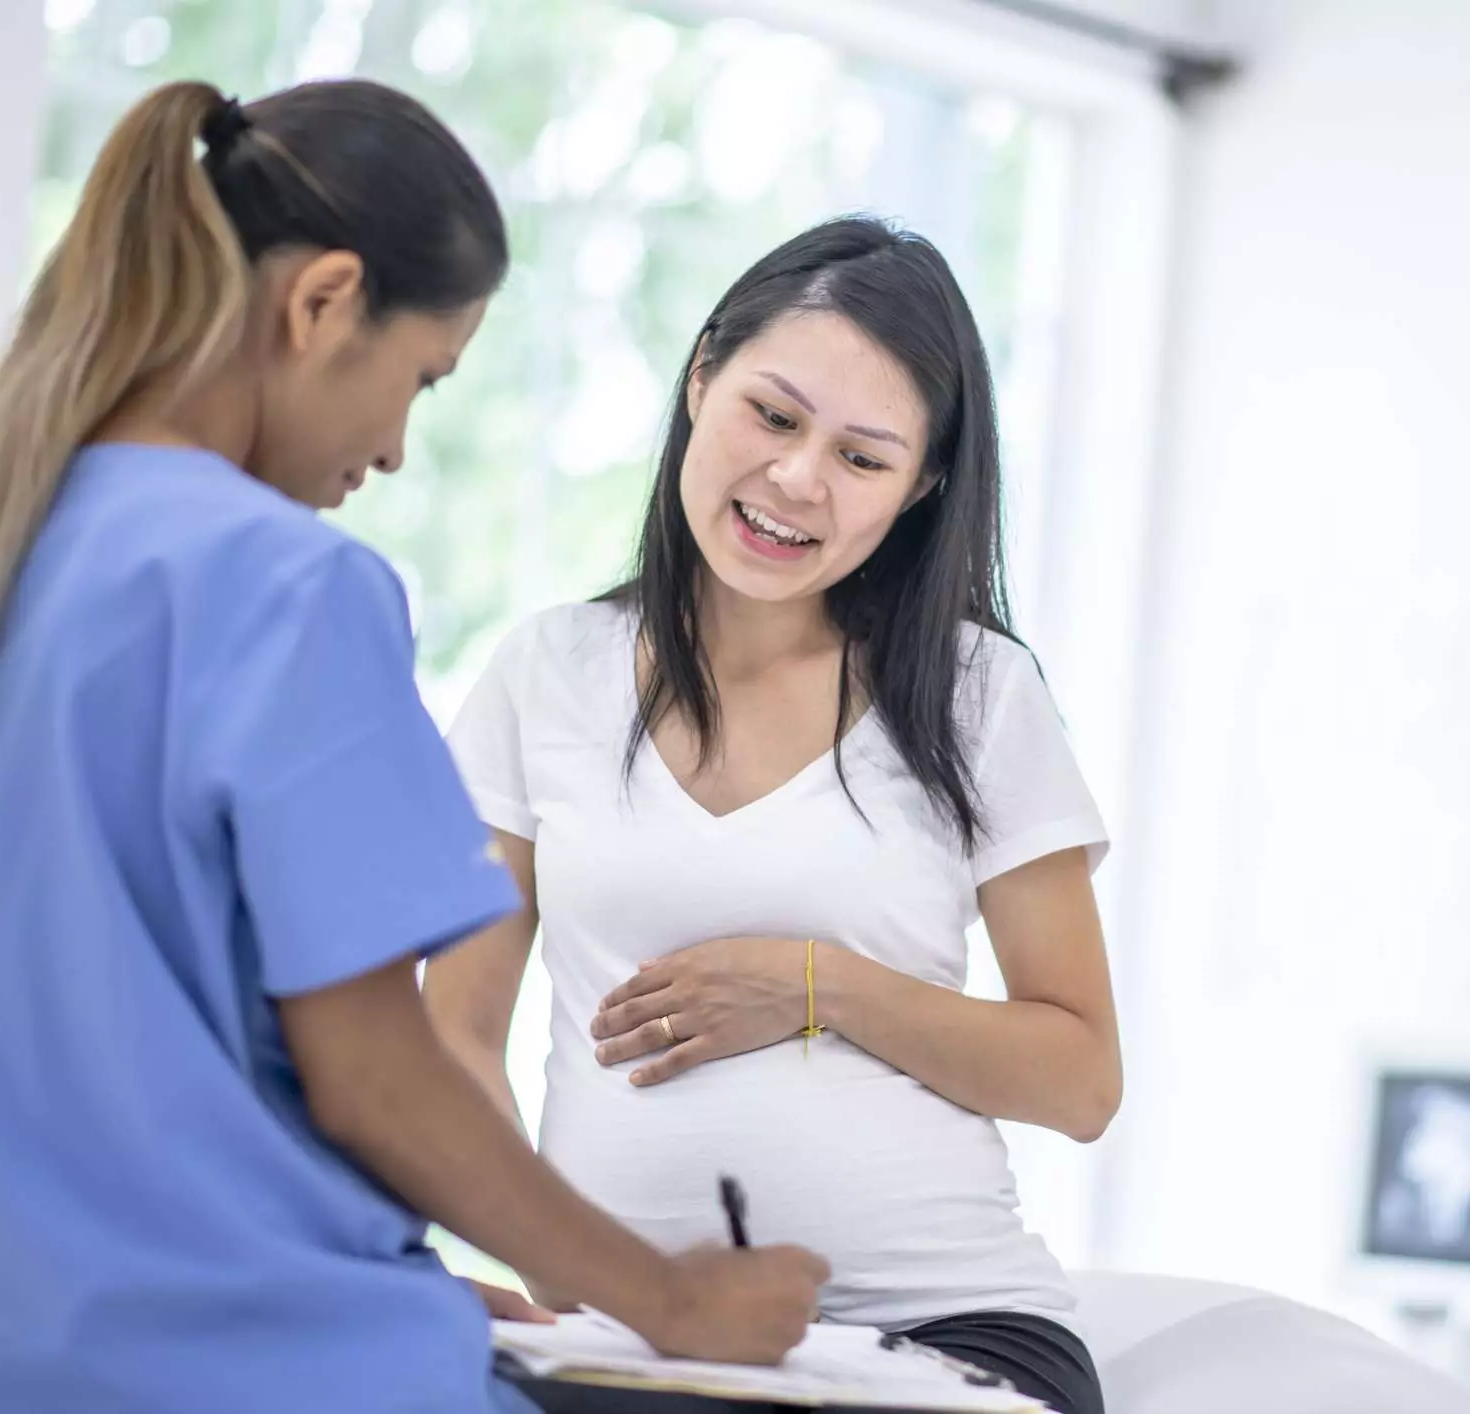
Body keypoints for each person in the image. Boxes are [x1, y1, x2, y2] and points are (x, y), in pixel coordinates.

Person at [0, 79, 823, 1414]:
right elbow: (375, 1082)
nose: (401, 450)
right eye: (420, 379)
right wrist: (674, 1297)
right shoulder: (279, 586)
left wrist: (341, 1259)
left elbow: (41, 1081)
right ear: (322, 302)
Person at [429, 218, 1123, 1414]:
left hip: (940, 1331)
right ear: (702, 378)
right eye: (775, 415)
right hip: (629, 1338)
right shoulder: (550, 671)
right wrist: (565, 1266)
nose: (799, 479)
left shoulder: (978, 692)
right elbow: (454, 1038)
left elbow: (1081, 1079)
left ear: (923, 487)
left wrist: (820, 986)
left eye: (864, 458)